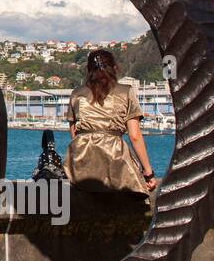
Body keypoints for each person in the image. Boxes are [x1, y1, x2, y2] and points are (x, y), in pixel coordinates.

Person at [64, 49, 157, 194]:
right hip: (115, 160)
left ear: (88, 69)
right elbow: (135, 136)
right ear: (114, 68)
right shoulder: (126, 91)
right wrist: (148, 172)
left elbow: (74, 135)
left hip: (81, 165)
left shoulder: (77, 93)